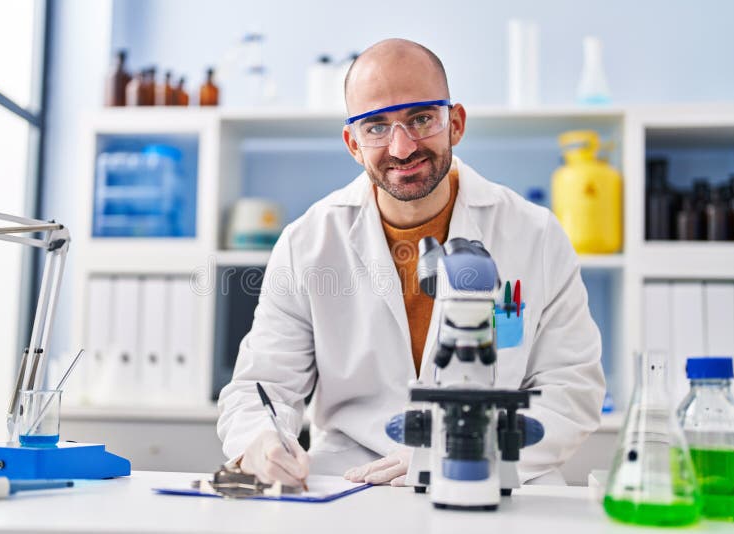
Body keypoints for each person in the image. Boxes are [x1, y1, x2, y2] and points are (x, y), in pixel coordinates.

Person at [217, 38, 605, 488]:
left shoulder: (536, 235)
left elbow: (571, 390)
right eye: (376, 127)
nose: (401, 148)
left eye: (421, 119)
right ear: (353, 143)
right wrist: (261, 443)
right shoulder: (307, 242)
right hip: (352, 481)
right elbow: (261, 387)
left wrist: (467, 449)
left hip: (492, 474)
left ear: (454, 123)